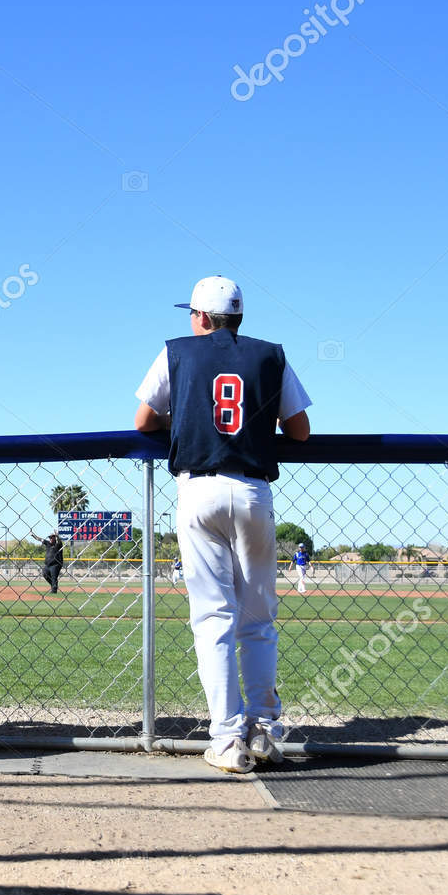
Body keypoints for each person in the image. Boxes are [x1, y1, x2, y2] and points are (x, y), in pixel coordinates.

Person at [133, 275, 311, 774]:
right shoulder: (270, 354)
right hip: (253, 489)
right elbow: (299, 430)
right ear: (238, 317)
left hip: (198, 489)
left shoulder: (179, 351)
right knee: (258, 619)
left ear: (203, 317)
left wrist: (187, 418)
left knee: (213, 619)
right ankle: (263, 730)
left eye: (192, 313)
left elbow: (144, 421)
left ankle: (227, 738)